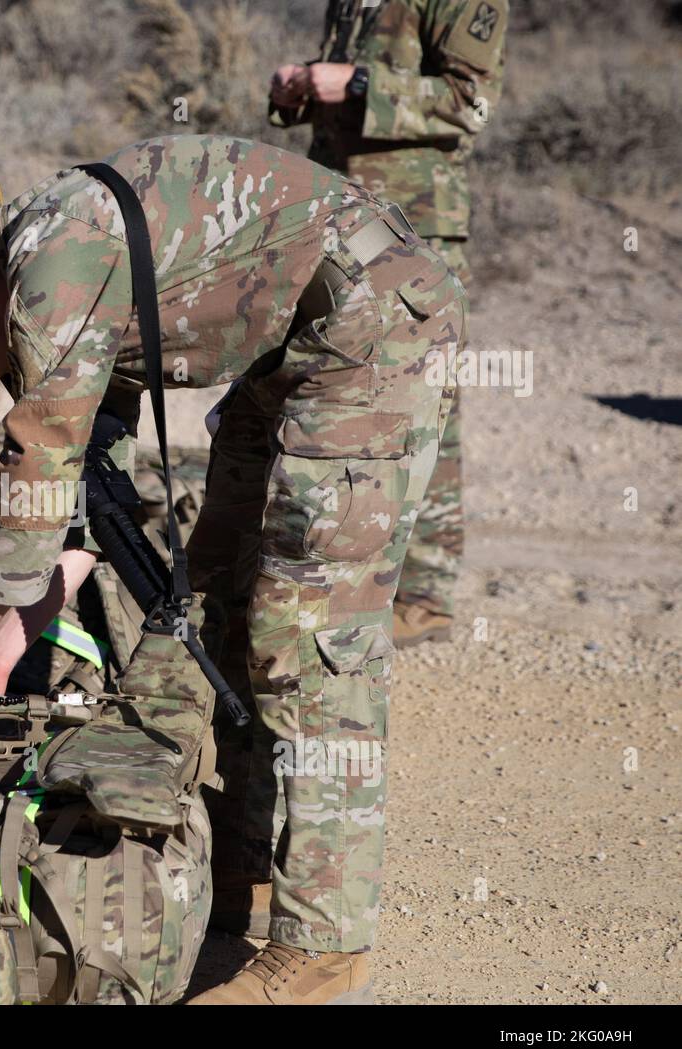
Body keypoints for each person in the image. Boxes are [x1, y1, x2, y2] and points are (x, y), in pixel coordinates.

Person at [0, 134, 465, 1003]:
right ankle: (244, 866)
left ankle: (324, 949)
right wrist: (10, 635)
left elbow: (38, 463)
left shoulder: (55, 268)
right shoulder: (48, 269)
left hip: (374, 328)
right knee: (222, 594)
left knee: (310, 634)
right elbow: (82, 496)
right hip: (297, 346)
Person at [268, 0, 508, 647]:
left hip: (412, 220)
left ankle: (426, 595)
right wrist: (298, 93)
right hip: (341, 208)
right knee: (333, 384)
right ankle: (346, 566)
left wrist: (357, 84)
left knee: (425, 395)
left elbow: (471, 102)